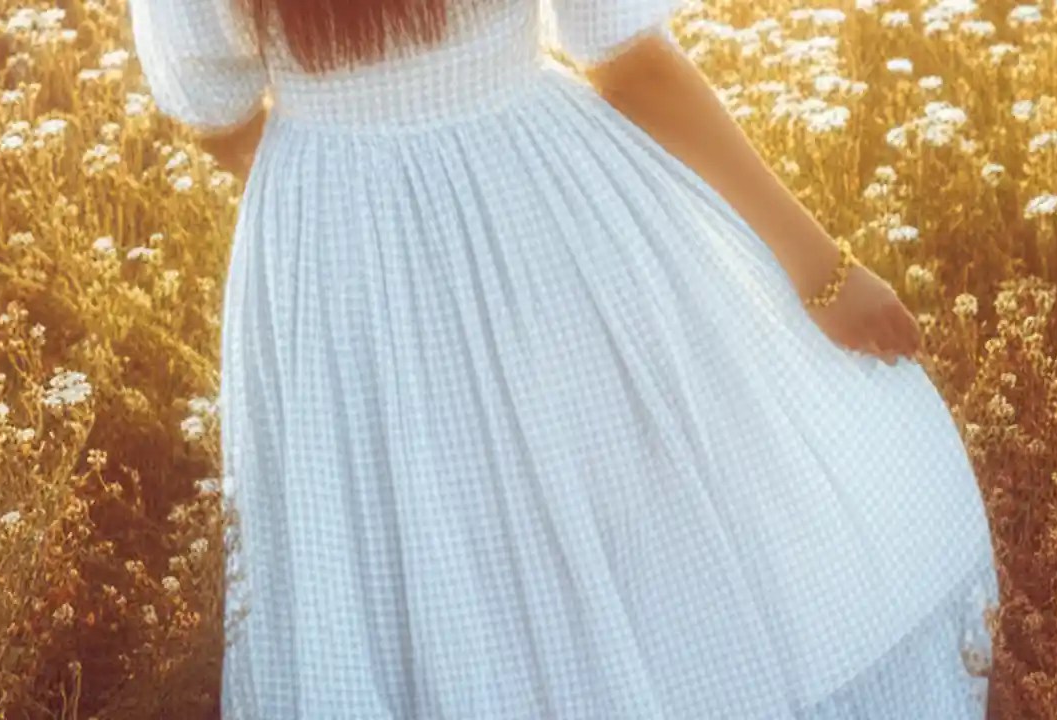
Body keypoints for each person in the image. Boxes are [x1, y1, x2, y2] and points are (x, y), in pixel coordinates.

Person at [127, 0, 1001, 717]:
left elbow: (212, 109)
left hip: (328, 236)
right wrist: (818, 264)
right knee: (609, 514)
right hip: (529, 195)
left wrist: (345, 192)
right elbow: (630, 61)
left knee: (396, 544)